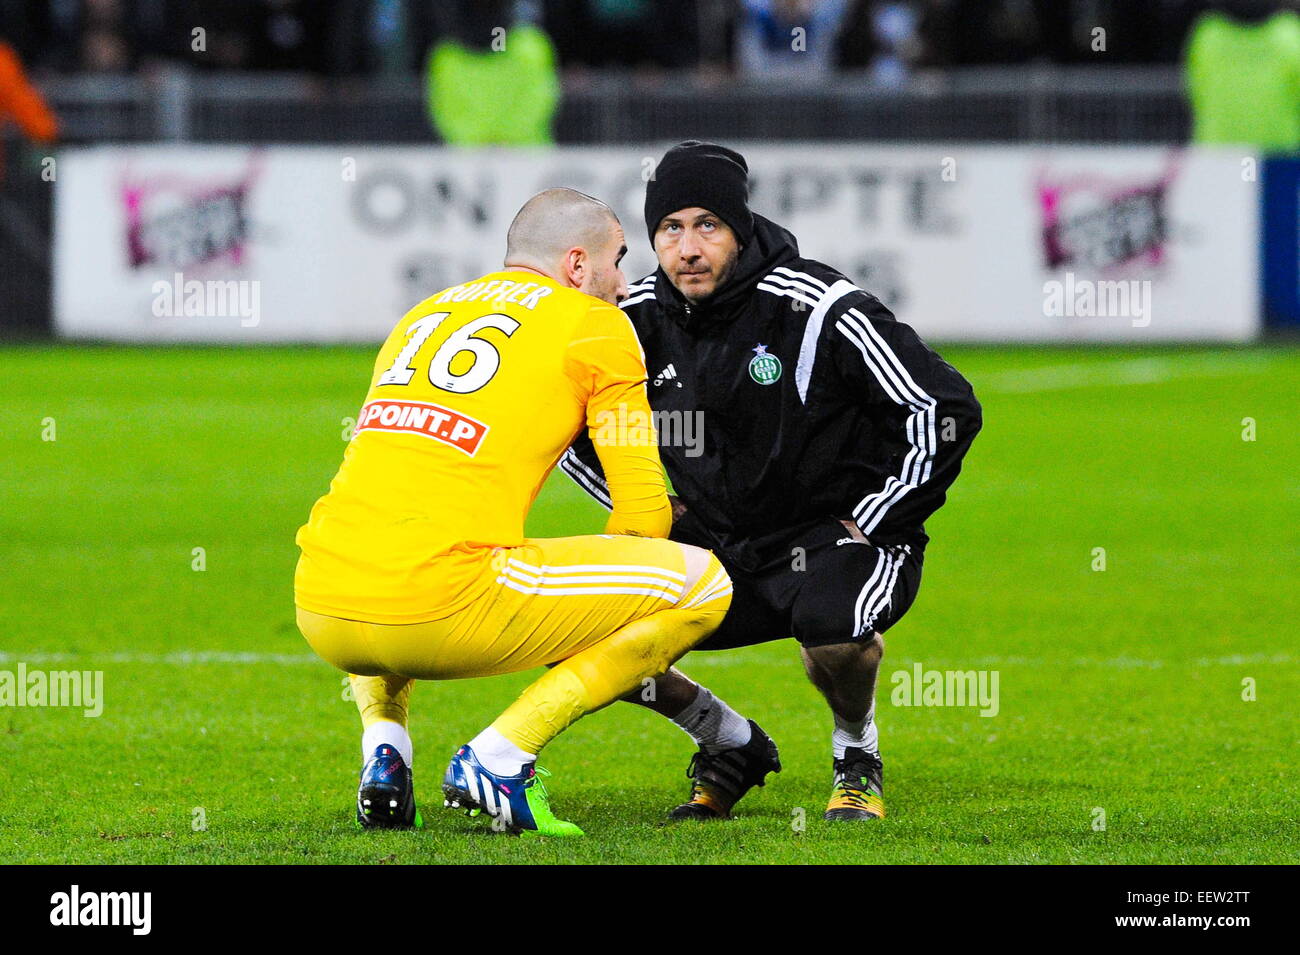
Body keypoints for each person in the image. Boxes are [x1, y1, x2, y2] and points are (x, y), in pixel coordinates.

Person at [294, 188, 733, 837]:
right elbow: (642, 511)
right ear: (579, 266)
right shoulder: (597, 324)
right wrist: (609, 636)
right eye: (618, 260)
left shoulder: (423, 314)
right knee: (705, 583)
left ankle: (385, 749)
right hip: (441, 607)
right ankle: (501, 757)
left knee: (394, 528)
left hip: (322, 601)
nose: (623, 282)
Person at [563, 142, 981, 822]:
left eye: (708, 225)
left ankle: (856, 754)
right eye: (670, 228)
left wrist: (875, 515)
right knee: (578, 628)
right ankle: (728, 742)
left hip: (834, 535)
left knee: (835, 629)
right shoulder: (631, 321)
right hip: (721, 542)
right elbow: (565, 428)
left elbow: (943, 409)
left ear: (741, 229)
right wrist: (639, 502)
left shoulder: (819, 307)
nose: (689, 247)